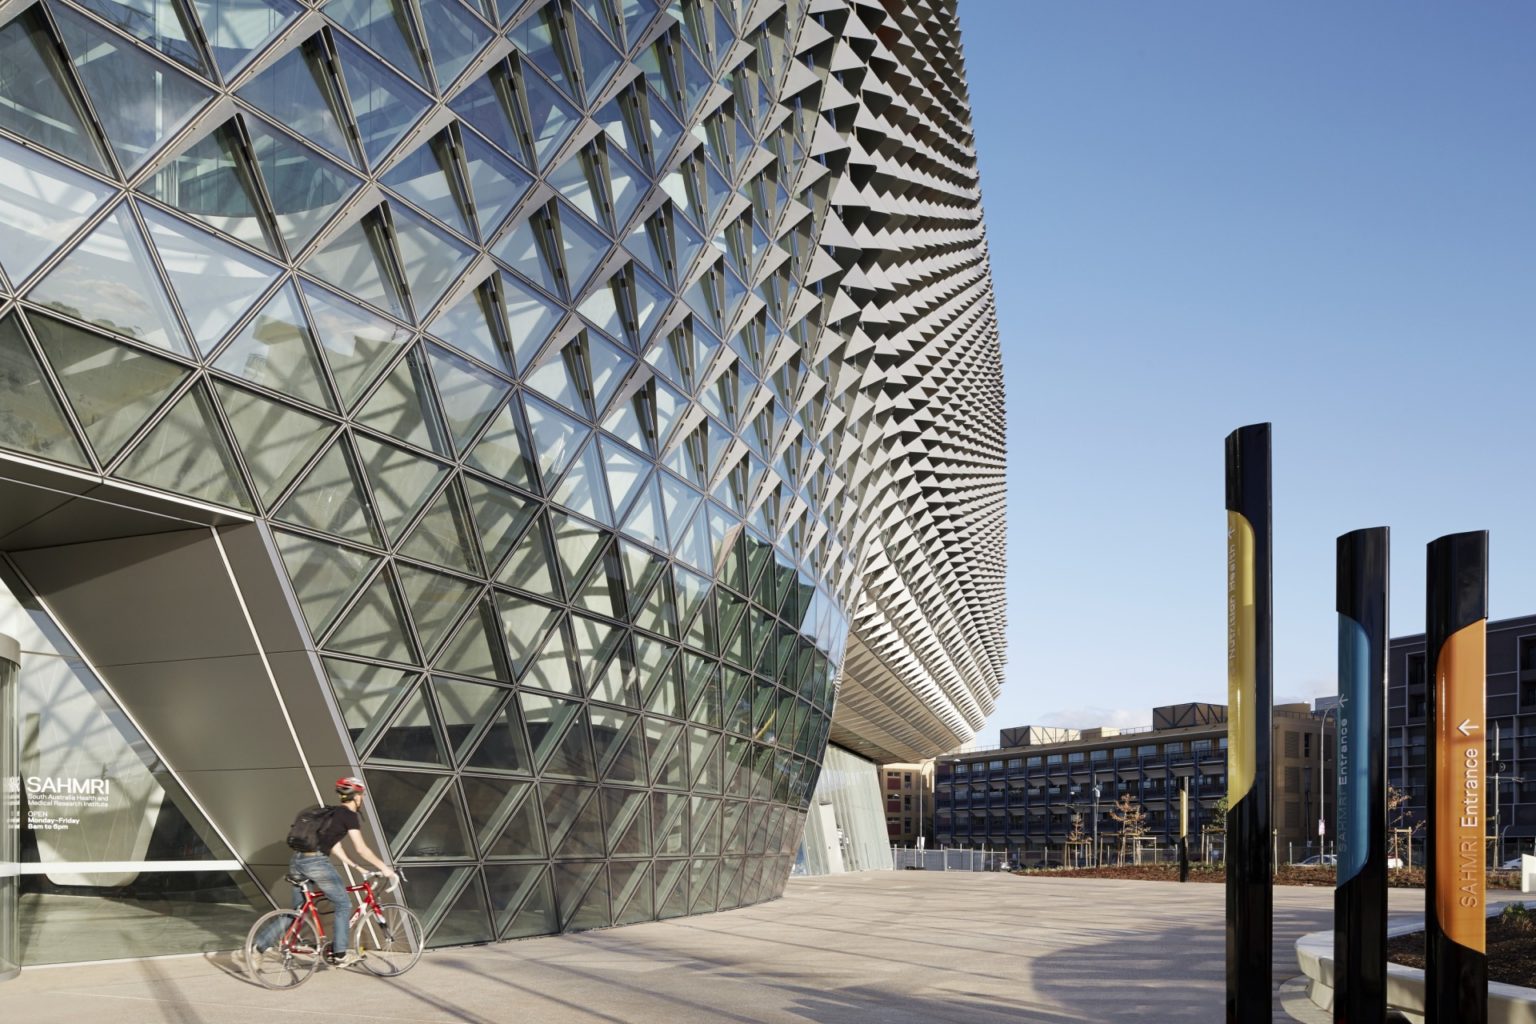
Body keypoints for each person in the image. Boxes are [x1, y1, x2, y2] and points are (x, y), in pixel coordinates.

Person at [258, 777, 396, 967]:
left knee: (297, 911)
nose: (362, 798)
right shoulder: (349, 816)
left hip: (298, 860)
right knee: (343, 904)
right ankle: (340, 955)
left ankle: (258, 946)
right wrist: (386, 869)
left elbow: (333, 845)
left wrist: (357, 867)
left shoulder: (331, 813)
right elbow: (362, 849)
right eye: (362, 794)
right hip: (316, 862)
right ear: (356, 796)